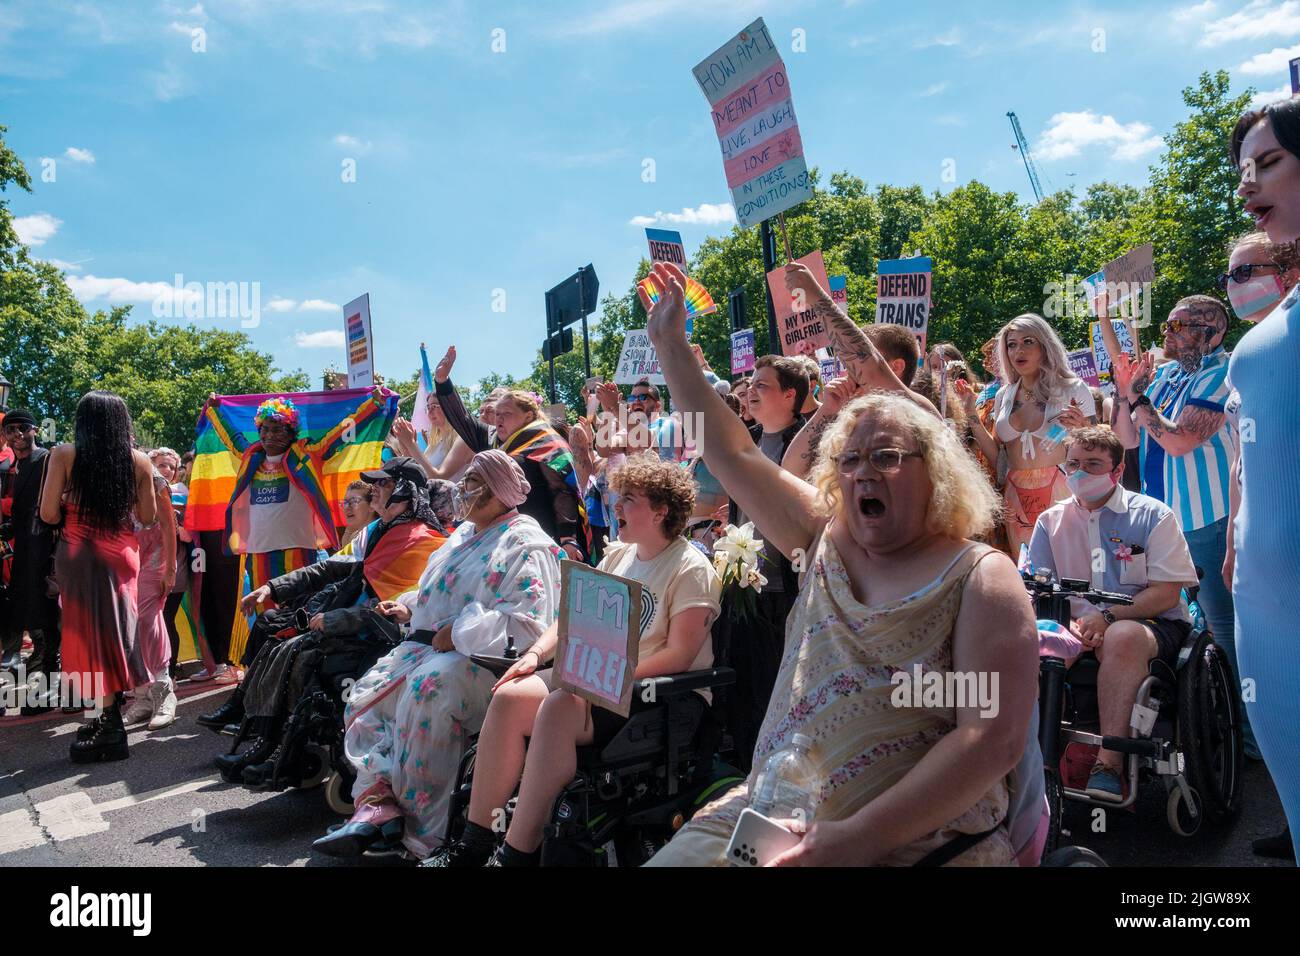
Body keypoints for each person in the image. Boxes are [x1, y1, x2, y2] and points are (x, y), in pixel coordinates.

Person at [637, 262, 1039, 866]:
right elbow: (731, 451)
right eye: (848, 460)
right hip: (768, 817)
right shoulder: (820, 539)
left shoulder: (981, 576)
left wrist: (857, 839)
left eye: (886, 455)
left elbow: (990, 737)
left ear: (936, 474)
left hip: (916, 846)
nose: (862, 472)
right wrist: (669, 345)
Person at [425, 453, 720, 866]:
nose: (615, 508)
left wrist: (609, 673)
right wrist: (534, 655)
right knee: (511, 694)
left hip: (656, 696)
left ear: (661, 510)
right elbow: (568, 619)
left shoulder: (692, 567)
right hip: (595, 677)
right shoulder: (618, 556)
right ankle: (472, 846)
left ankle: (515, 854)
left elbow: (681, 653)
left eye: (628, 499)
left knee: (561, 704)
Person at [315, 451, 564, 858]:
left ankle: (426, 835)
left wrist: (460, 630)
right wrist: (410, 605)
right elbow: (440, 589)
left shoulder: (527, 544)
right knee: (366, 695)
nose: (462, 492)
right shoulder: (465, 534)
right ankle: (380, 807)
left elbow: (529, 627)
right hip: (432, 649)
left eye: (472, 484)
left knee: (425, 692)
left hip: (487, 663)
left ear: (496, 491)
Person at [207, 456, 447, 784]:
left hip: (384, 630)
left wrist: (334, 619)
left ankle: (281, 751)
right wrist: (272, 588)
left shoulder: (422, 538)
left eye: (383, 483)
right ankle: (265, 741)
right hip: (354, 619)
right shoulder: (381, 528)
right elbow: (331, 569)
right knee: (279, 639)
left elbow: (401, 603)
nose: (374, 490)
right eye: (374, 484)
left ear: (404, 491)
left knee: (301, 652)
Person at [1027, 427, 1198, 799]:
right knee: (1037, 641)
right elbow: (1038, 588)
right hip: (1075, 625)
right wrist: (1071, 624)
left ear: (1117, 471)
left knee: (1121, 638)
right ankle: (1028, 759)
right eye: (1073, 464)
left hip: (1148, 623)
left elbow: (1167, 593)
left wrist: (1108, 618)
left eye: (1093, 465)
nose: (1080, 473)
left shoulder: (1153, 515)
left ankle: (1109, 763)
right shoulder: (1050, 522)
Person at [1108, 296, 1240, 759]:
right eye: (1169, 322)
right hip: (1161, 522)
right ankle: (1197, 717)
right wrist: (1127, 393)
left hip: (1207, 517)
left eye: (1184, 324)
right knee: (1179, 620)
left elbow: (1182, 440)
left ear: (1213, 333)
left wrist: (1141, 399)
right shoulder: (1164, 375)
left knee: (1223, 624)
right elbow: (1126, 439)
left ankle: (1242, 736)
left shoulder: (1223, 374)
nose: (1170, 330)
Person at [194, 386, 392, 682]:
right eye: (265, 429)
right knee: (264, 616)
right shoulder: (249, 457)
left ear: (290, 432)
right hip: (258, 551)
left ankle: (293, 673)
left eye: (278, 430)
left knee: (298, 611)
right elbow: (231, 438)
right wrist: (213, 410)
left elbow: (339, 432)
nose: (270, 436)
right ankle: (262, 673)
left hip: (298, 549)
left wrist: (373, 405)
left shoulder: (307, 455)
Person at [1227, 93, 1300, 862]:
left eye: (1270, 161)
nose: (1249, 186)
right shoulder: (1261, 345)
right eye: (1243, 172)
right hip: (1269, 638)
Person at [38, 391, 158, 762]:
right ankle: (105, 714)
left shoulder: (64, 454)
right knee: (116, 632)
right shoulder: (137, 460)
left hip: (80, 553)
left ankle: (109, 725)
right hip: (121, 554)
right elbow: (149, 516)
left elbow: (48, 514)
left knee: (87, 635)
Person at [967, 314, 1096, 554]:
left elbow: (1098, 449)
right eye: (1012, 344)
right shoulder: (1004, 395)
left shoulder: (1072, 388)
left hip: (1062, 489)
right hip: (1015, 493)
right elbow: (999, 459)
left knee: (1068, 568)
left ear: (1045, 346)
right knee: (1025, 572)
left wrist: (1082, 430)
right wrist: (970, 414)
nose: (1018, 351)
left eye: (1028, 341)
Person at [1, 409, 60, 703]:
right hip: (24, 549)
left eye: (23, 428)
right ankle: (43, 685)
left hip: (44, 550)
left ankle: (48, 687)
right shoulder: (17, 467)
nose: (17, 435)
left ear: (35, 430)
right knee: (30, 617)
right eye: (11, 430)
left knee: (44, 621)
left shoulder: (46, 459)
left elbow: (55, 504)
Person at [121, 458, 179, 730]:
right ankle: (143, 695)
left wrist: (170, 568)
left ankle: (164, 691)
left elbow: (169, 524)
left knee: (148, 619)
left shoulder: (153, 477)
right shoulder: (106, 474)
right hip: (125, 556)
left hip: (155, 557)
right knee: (128, 625)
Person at [339, 479, 377, 549]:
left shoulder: (379, 538)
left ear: (372, 506)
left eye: (354, 501)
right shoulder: (356, 536)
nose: (347, 507)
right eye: (345, 502)